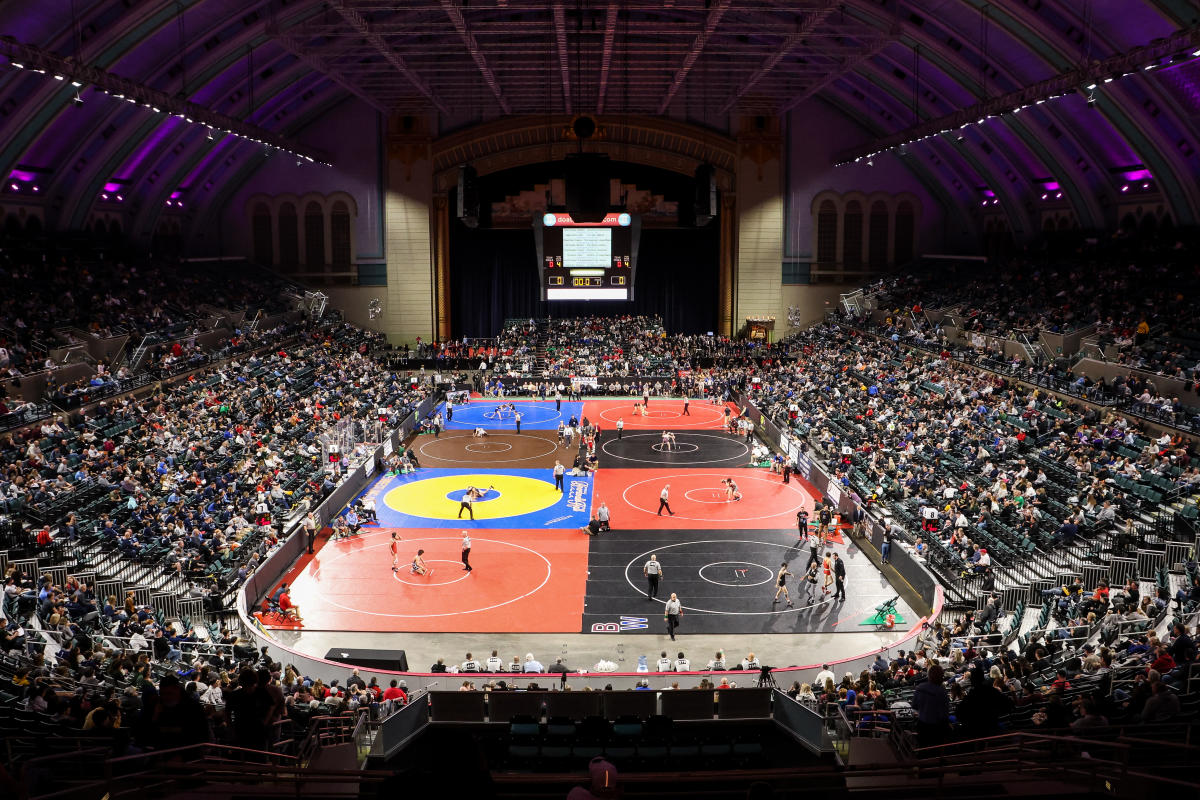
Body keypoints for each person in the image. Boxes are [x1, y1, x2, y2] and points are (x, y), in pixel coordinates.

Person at [912, 663, 950, 748]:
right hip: (937, 727)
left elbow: (914, 706)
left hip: (922, 724)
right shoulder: (942, 691)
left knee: (922, 747)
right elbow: (944, 713)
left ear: (929, 675)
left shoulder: (920, 687)